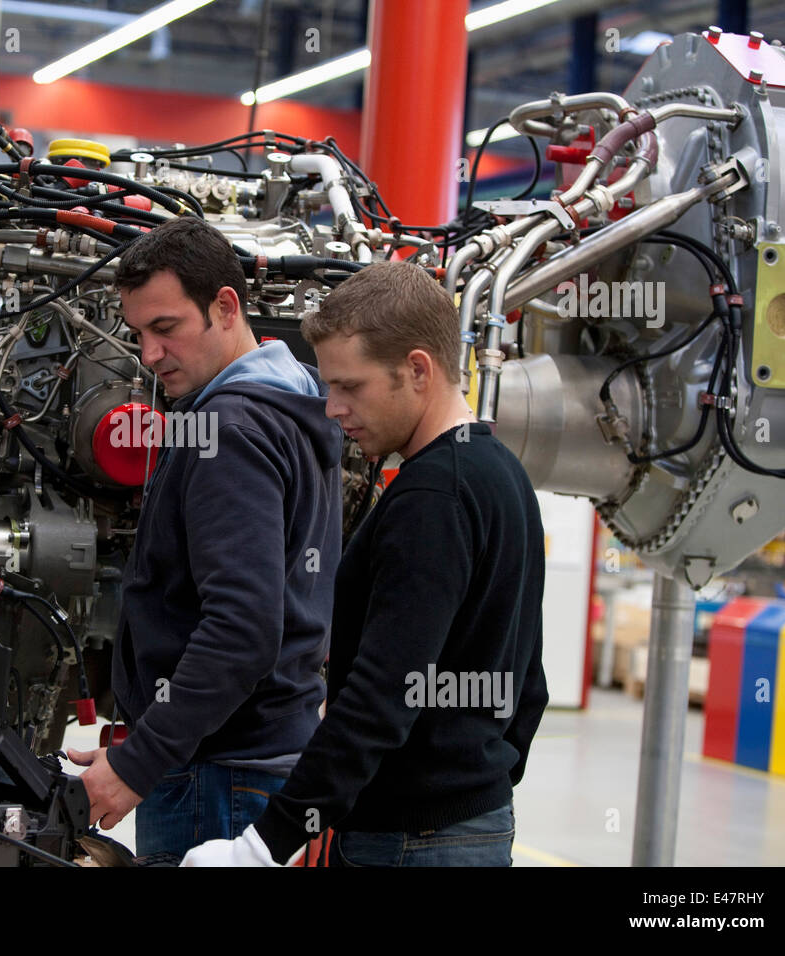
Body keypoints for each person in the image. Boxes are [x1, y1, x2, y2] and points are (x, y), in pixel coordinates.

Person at [181, 259, 548, 867]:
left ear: (417, 370)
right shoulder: (500, 473)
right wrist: (478, 782)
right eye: (327, 386)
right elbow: (526, 684)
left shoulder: (432, 496)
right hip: (469, 826)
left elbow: (380, 696)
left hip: (412, 841)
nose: (332, 408)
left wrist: (264, 843)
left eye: (350, 387)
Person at [66, 216, 343, 859]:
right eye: (138, 335)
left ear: (225, 306)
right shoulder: (289, 403)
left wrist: (144, 760)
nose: (151, 354)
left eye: (166, 329)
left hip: (217, 777)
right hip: (244, 761)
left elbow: (242, 628)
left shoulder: (231, 430)